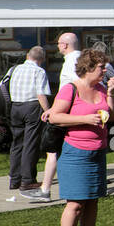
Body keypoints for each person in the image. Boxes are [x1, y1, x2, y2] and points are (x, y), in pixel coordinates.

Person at [49, 49, 114, 226]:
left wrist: (112, 94)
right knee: (76, 204)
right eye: (101, 67)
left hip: (98, 151)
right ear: (88, 68)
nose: (105, 70)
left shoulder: (102, 88)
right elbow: (54, 116)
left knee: (92, 202)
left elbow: (113, 115)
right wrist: (85, 119)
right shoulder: (70, 89)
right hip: (75, 153)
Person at [34, 32, 80, 203]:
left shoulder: (71, 62)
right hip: (69, 110)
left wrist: (55, 110)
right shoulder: (79, 59)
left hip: (67, 112)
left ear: (65, 45)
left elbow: (72, 89)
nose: (58, 47)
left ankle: (45, 189)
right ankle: (46, 188)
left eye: (59, 43)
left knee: (53, 149)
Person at [8, 46, 51, 199]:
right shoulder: (39, 71)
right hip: (32, 106)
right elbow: (41, 93)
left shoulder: (14, 69)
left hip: (15, 106)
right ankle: (27, 180)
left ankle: (14, 179)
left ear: (27, 55)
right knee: (31, 143)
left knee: (17, 142)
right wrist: (47, 110)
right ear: (42, 59)